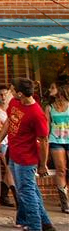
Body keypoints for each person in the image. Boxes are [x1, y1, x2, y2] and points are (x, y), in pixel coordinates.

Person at [2, 78, 54, 231]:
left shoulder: (36, 113)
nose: (9, 92)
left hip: (27, 158)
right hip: (15, 153)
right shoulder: (15, 104)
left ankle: (34, 228)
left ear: (20, 93)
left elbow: (44, 141)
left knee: (26, 192)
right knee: (31, 190)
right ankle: (44, 222)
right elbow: (10, 122)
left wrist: (43, 164)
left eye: (11, 90)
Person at [44, 77, 69, 214]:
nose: (50, 90)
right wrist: (45, 146)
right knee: (61, 170)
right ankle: (65, 202)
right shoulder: (49, 107)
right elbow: (47, 128)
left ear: (60, 90)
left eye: (52, 87)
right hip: (56, 140)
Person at [0, 85, 16, 207]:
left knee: (10, 170)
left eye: (5, 94)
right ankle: (18, 199)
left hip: (13, 142)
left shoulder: (13, 108)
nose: (3, 97)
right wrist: (12, 129)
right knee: (9, 168)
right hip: (2, 142)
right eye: (0, 95)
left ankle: (3, 196)